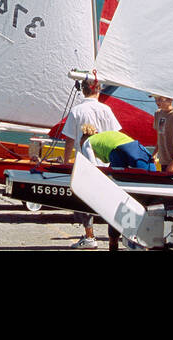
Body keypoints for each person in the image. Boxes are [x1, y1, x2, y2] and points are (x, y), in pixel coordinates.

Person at [62, 78, 120, 249]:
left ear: (83, 90)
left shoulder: (77, 111)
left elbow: (69, 140)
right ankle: (114, 238)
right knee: (110, 200)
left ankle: (89, 236)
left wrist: (66, 162)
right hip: (106, 162)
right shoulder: (106, 110)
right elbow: (116, 137)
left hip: (85, 163)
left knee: (83, 200)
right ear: (99, 90)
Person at [78, 124, 154, 170]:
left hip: (117, 151)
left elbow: (92, 167)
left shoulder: (86, 142)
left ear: (82, 140)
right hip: (138, 149)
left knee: (116, 178)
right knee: (150, 175)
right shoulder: (103, 136)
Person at [152, 95, 173, 175]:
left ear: (170, 100)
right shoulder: (157, 114)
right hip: (163, 159)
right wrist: (154, 154)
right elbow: (160, 135)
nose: (157, 102)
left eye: (160, 99)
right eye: (156, 99)